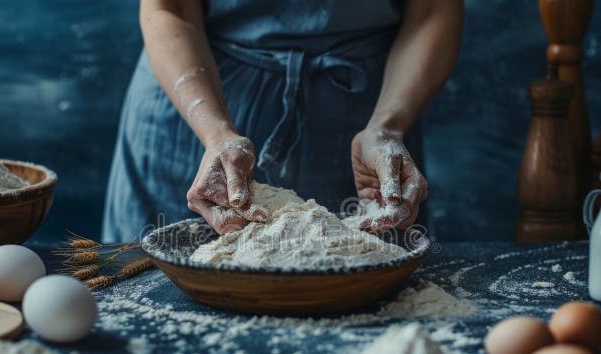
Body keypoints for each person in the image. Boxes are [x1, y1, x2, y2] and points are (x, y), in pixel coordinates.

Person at [102, 0, 463, 241]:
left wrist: (387, 127)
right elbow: (170, 9)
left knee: (360, 291)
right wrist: (216, 133)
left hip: (371, 105)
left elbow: (433, 10)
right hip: (195, 101)